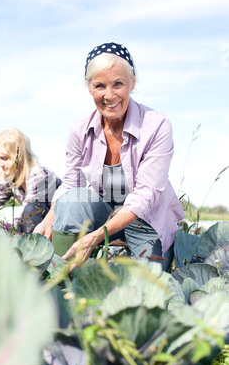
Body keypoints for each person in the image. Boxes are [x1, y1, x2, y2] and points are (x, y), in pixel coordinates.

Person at [33, 42, 185, 271]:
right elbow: (71, 184)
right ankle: (66, 281)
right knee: (73, 201)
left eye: (118, 84)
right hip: (102, 214)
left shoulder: (156, 125)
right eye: (100, 86)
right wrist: (48, 219)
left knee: (145, 282)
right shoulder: (80, 129)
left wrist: (95, 237)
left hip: (144, 219)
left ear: (132, 83)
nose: (109, 95)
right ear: (89, 88)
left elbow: (146, 196)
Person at [0, 128, 61, 233]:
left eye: (4, 158)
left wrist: (4, 228)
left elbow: (29, 214)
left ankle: (30, 248)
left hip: (58, 227)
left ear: (19, 157)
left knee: (32, 208)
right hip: (38, 227)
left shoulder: (39, 175)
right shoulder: (12, 178)